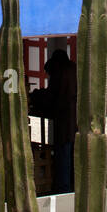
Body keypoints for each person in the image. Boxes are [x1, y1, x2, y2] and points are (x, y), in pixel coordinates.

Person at [29, 48, 77, 193]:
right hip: (75, 121)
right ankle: (71, 186)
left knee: (63, 156)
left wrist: (35, 95)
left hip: (64, 122)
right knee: (71, 156)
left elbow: (51, 96)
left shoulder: (60, 73)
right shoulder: (73, 70)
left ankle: (63, 189)